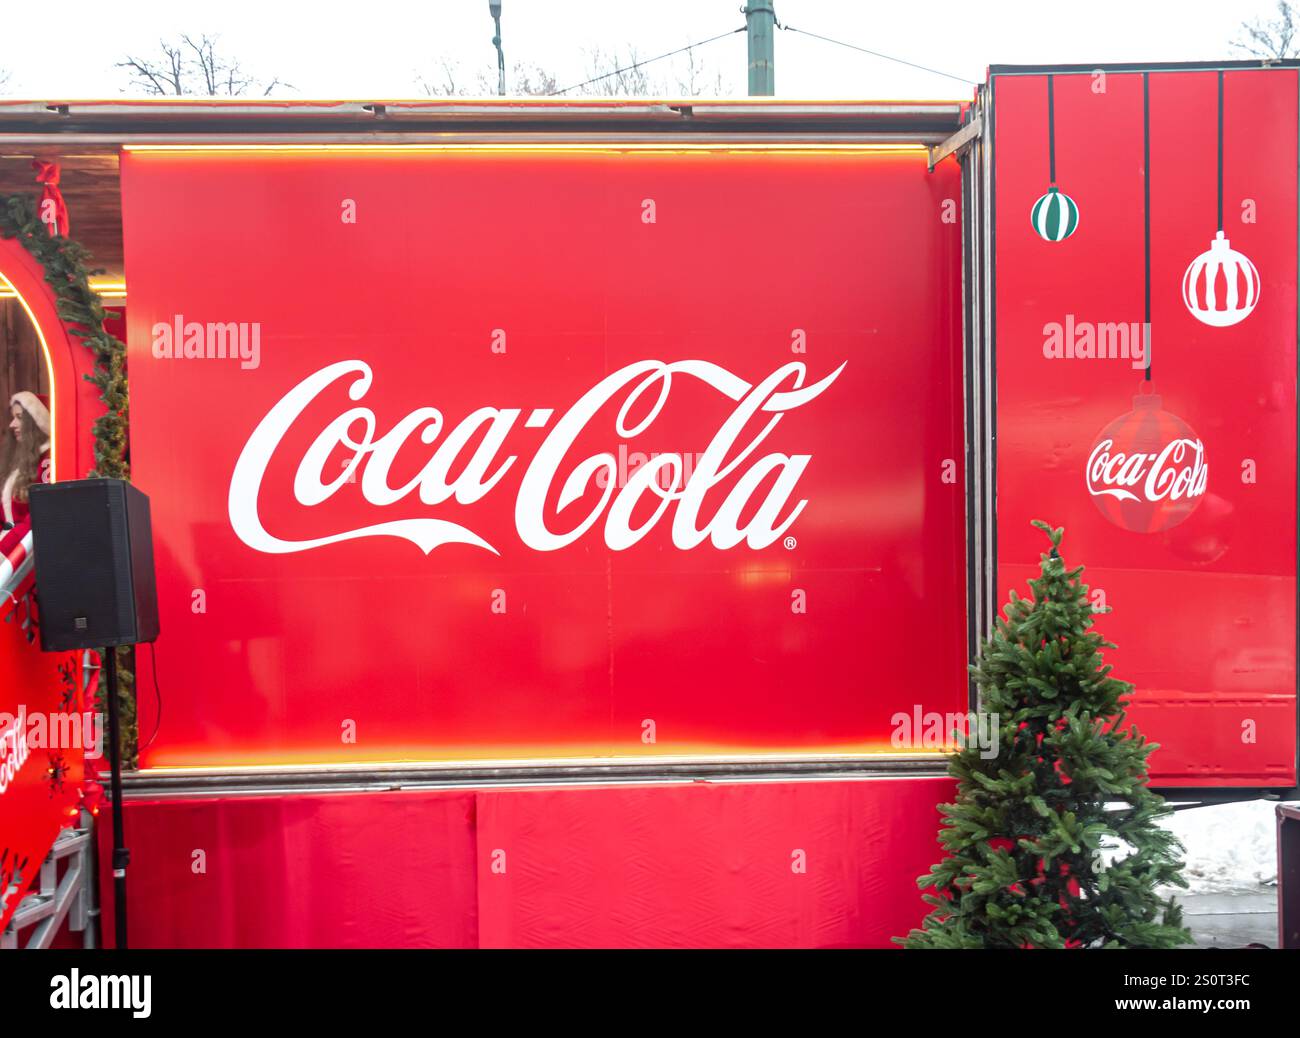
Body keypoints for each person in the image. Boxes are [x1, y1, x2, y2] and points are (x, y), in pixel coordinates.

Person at [1, 391, 51, 534]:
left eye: (20, 418)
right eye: (13, 418)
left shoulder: (49, 462)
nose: (12, 424)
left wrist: (4, 550)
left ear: (37, 422)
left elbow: (38, 518)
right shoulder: (24, 460)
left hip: (27, 550)